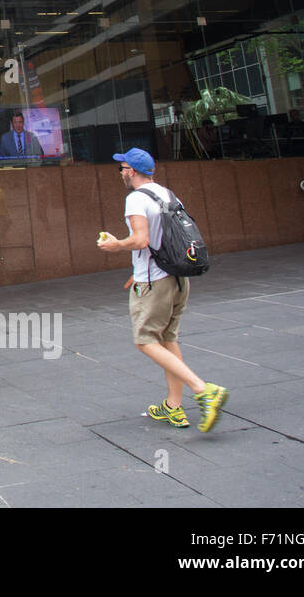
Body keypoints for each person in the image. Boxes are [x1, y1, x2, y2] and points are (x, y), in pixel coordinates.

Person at [97, 148, 230, 433]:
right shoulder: (168, 194)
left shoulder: (135, 198)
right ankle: (173, 406)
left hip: (154, 282)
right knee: (168, 339)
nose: (120, 173)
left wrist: (115, 244)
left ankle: (204, 390)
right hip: (178, 279)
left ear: (131, 171)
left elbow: (141, 240)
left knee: (145, 341)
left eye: (122, 168)